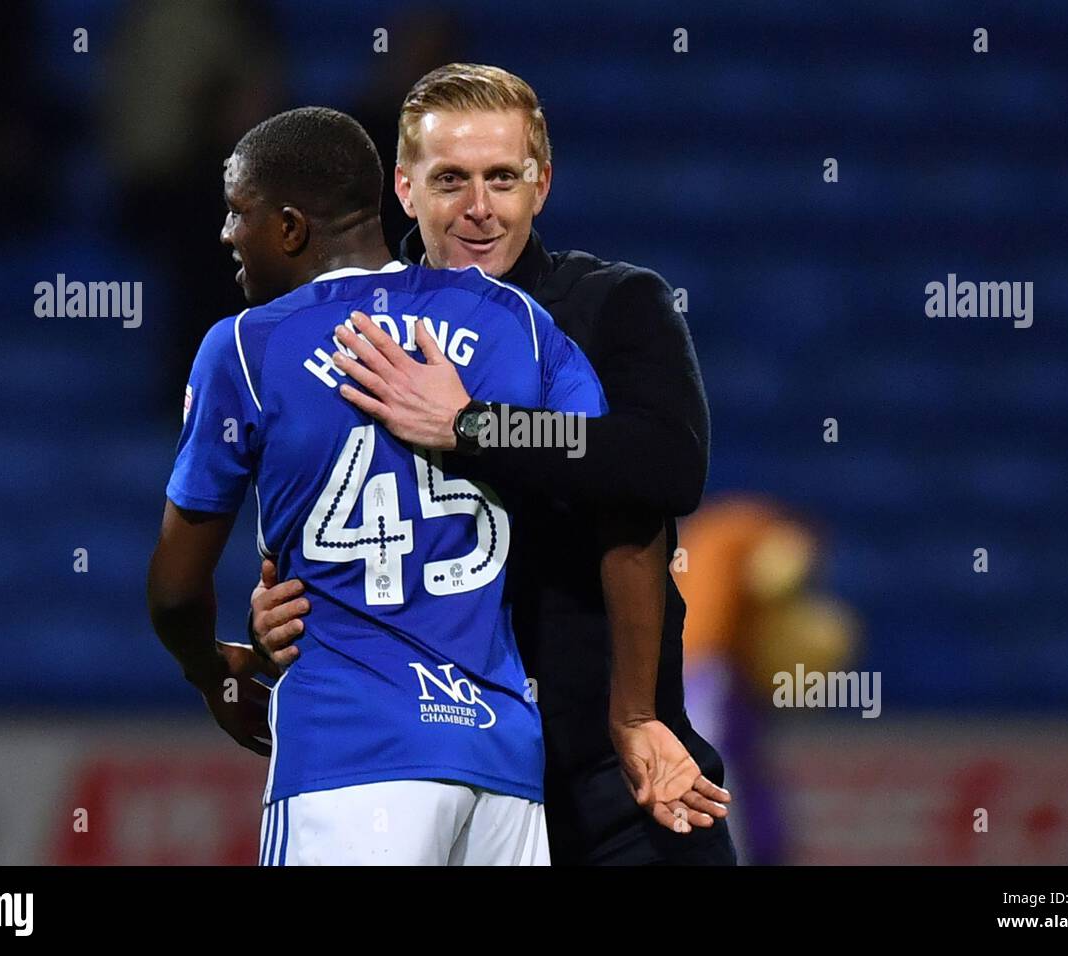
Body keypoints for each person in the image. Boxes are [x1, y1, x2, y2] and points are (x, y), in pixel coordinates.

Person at [249, 64, 737, 865]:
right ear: (403, 189)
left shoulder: (613, 304)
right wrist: (272, 618)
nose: (479, 208)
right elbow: (308, 525)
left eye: (502, 178)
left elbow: (665, 465)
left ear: (541, 184)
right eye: (451, 181)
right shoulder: (336, 334)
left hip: (621, 767)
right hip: (437, 781)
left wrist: (473, 426)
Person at [147, 106, 610, 864]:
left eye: (240, 213)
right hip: (498, 762)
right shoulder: (516, 323)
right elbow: (598, 461)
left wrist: (215, 674)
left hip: (350, 753)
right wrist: (479, 427)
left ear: (291, 227)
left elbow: (172, 590)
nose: (228, 236)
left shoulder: (244, 347)